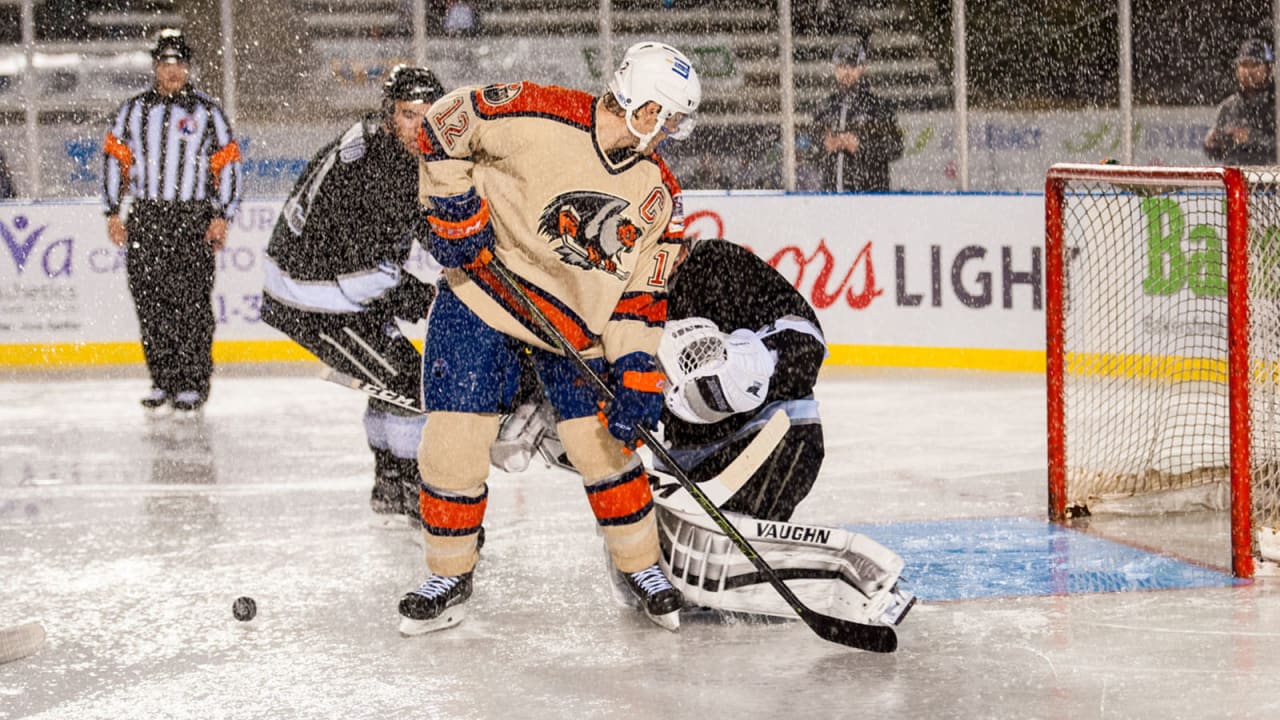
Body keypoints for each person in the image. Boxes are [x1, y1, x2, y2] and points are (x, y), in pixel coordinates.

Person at [399, 41, 701, 636]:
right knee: (454, 441)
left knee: (604, 449)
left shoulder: (660, 196)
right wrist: (452, 207)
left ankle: (642, 568)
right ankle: (448, 573)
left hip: (573, 332)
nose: (669, 131)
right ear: (643, 106)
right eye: (666, 116)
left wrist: (638, 370)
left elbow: (639, 299)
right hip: (483, 295)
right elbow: (443, 124)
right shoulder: (540, 110)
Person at [499, 236, 916, 627]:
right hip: (689, 460)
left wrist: (750, 359)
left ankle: (821, 574)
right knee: (639, 570)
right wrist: (539, 402)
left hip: (772, 436)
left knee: (705, 547)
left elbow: (806, 339)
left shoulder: (717, 263)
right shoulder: (622, 304)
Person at [260, 65, 446, 529]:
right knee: (411, 386)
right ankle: (408, 492)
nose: (420, 127)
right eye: (409, 115)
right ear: (390, 114)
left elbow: (416, 224)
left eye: (428, 115)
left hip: (324, 287)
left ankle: (388, 488)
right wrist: (428, 299)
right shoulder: (376, 169)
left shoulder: (384, 151)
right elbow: (363, 271)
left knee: (390, 378)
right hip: (315, 299)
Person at [101, 29, 244, 413]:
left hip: (191, 217)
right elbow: (116, 160)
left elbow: (228, 165)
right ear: (155, 68)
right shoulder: (133, 111)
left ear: (188, 68)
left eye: (179, 64)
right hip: (148, 216)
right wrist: (113, 210)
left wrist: (221, 214)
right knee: (151, 302)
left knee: (192, 303)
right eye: (166, 64)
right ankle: (162, 380)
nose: (173, 71)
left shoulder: (207, 112)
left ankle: (193, 382)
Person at [808, 37, 903, 192]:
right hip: (831, 198)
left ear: (862, 68)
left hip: (870, 197)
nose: (846, 71)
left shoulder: (877, 106)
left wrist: (861, 146)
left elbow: (895, 147)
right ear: (835, 68)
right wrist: (825, 145)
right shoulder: (825, 107)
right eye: (841, 66)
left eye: (851, 65)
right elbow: (810, 149)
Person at [1204, 38, 1276, 166]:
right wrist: (1212, 144)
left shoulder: (1277, 105)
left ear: (1269, 69)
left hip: (1271, 179)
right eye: (1243, 65)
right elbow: (1216, 154)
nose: (1248, 71)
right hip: (1235, 180)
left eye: (1255, 65)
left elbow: (1276, 146)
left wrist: (1251, 138)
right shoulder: (1228, 106)